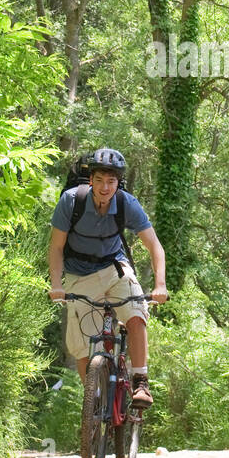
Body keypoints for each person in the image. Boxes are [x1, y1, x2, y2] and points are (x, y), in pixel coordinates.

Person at [48, 148, 167, 407]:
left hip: (116, 269)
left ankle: (141, 382)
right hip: (79, 275)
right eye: (99, 180)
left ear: (118, 183)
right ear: (90, 180)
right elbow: (56, 247)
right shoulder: (71, 201)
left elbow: (155, 246)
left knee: (136, 314)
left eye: (111, 181)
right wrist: (56, 285)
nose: (105, 187)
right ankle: (95, 402)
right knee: (82, 349)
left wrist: (160, 285)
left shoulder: (126, 203)